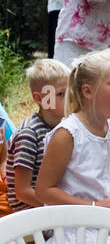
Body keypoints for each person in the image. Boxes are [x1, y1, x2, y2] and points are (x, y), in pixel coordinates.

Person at [34, 50, 110, 244]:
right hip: (71, 231)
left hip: (106, 229)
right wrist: (93, 205)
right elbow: (44, 191)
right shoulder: (68, 134)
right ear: (88, 91)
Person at [4, 59, 70, 213]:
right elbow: (22, 192)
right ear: (40, 99)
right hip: (31, 213)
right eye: (61, 94)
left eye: (70, 93)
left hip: (53, 204)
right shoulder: (29, 134)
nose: (69, 99)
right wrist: (58, 209)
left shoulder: (65, 127)